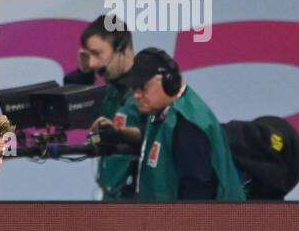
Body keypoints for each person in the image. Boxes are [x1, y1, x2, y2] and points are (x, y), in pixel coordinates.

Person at [124, 48, 245, 201]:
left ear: (169, 82)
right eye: (134, 88)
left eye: (143, 87)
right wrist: (120, 133)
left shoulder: (187, 127)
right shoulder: (164, 112)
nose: (136, 95)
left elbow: (196, 199)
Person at [64, 15, 144, 200]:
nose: (93, 63)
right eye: (88, 55)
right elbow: (72, 110)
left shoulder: (147, 91)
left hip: (139, 201)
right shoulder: (111, 91)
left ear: (122, 49)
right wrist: (84, 73)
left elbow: (157, 133)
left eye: (97, 54)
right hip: (110, 196)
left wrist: (120, 133)